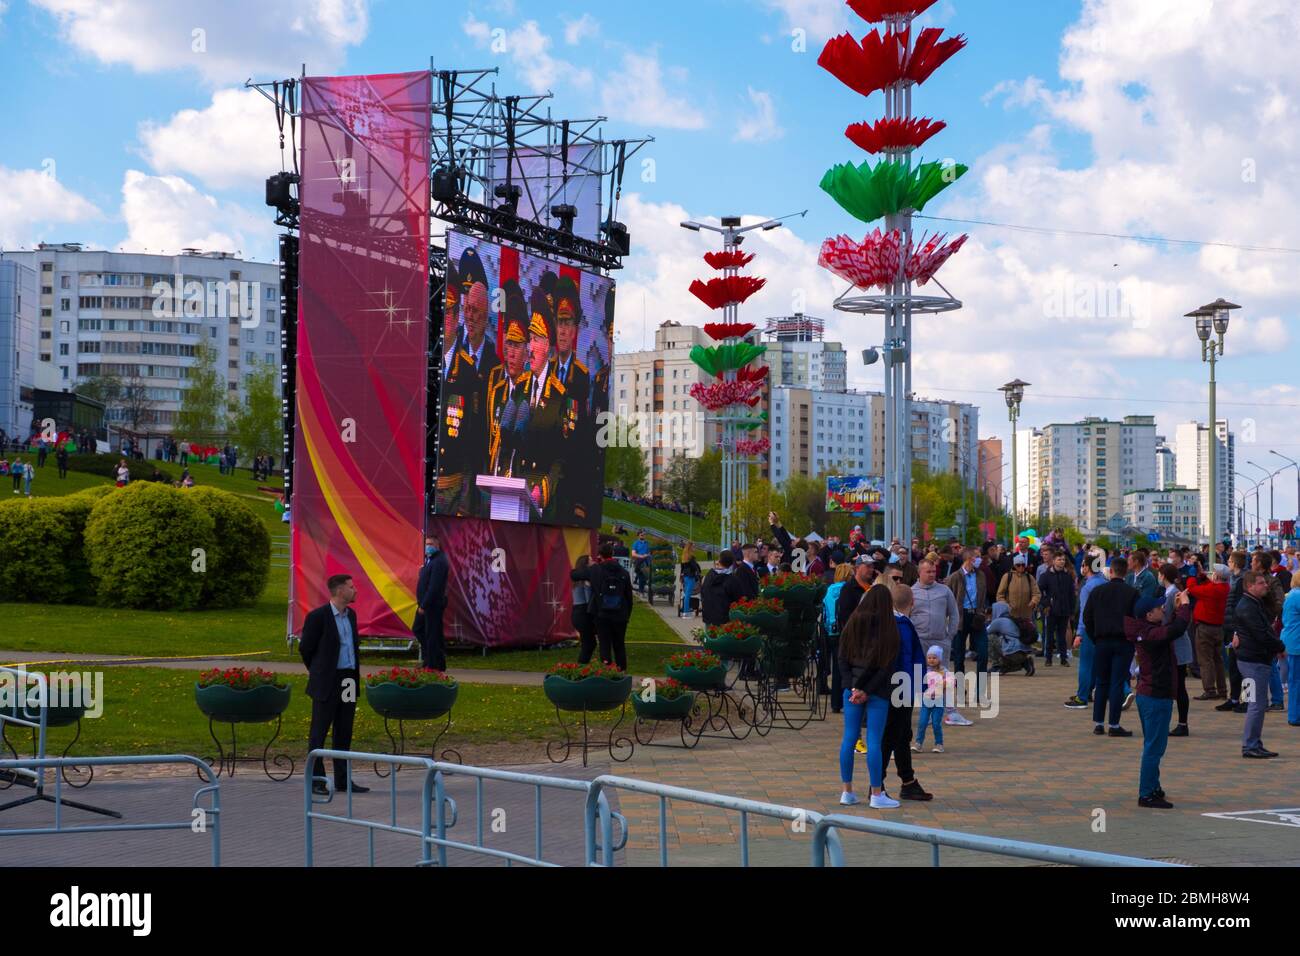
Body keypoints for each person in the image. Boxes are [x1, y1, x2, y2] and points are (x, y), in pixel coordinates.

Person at [300, 574, 369, 795]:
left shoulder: (351, 616)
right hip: (327, 680)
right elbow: (306, 649)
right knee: (319, 730)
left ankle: (343, 779)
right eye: (351, 587)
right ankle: (317, 780)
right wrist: (319, 671)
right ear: (340, 591)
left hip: (348, 679)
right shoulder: (318, 617)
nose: (355, 590)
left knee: (344, 728)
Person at [837, 585, 901, 809]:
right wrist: (866, 689)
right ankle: (876, 793)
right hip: (877, 691)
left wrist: (851, 687)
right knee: (874, 740)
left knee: (849, 739)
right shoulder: (889, 629)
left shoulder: (853, 623)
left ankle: (847, 791)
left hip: (851, 690)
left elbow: (842, 658)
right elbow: (885, 668)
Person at [1126, 589, 1190, 808]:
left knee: (1153, 745)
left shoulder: (1148, 630)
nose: (1161, 608)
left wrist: (1176, 606)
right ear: (1147, 614)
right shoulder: (1151, 636)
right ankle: (1146, 793)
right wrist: (1184, 607)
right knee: (1154, 748)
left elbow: (1169, 628)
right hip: (1155, 696)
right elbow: (1176, 630)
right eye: (1157, 607)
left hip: (1150, 695)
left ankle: (1153, 786)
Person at [1231, 570, 1286, 758]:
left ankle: (1254, 742)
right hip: (1252, 661)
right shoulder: (1248, 606)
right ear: (1250, 586)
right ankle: (1250, 745)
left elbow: (1265, 628)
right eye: (1261, 583)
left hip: (1250, 659)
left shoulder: (1253, 604)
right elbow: (1261, 633)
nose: (1266, 586)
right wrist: (1279, 646)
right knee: (1256, 704)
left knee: (1254, 703)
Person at [1084, 557, 1139, 737]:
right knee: (1117, 682)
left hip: (1101, 641)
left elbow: (1087, 617)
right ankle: (1114, 724)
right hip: (1123, 642)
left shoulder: (1098, 591)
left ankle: (1098, 723)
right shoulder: (1132, 593)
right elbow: (1137, 618)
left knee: (1102, 682)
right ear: (1126, 572)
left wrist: (1095, 637)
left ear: (1111, 571)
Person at [943, 547, 988, 723]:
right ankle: (961, 690)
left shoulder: (981, 575)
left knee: (983, 653)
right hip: (960, 619)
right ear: (968, 559)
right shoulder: (955, 577)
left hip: (976, 617)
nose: (979, 560)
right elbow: (947, 596)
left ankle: (980, 692)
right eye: (976, 557)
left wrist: (983, 611)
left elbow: (985, 595)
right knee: (959, 656)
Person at [1066, 551, 1106, 708]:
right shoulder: (1105, 582)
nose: (1081, 567)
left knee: (1085, 664)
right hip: (1104, 629)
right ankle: (1089, 691)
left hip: (1090, 629)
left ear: (1088, 567)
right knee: (1098, 664)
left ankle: (1081, 697)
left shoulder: (1087, 587)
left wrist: (1079, 634)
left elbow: (1084, 613)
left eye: (1083, 565)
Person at [1158, 563, 1192, 738]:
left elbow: (1170, 619)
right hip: (1176, 644)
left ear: (1163, 575)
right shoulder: (1170, 592)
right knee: (1177, 685)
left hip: (1176, 645)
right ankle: (1180, 722)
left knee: (1178, 685)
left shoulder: (1172, 594)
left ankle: (1182, 723)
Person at [1186, 564, 1230, 700]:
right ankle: (1222, 689)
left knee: (1205, 660)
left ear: (1216, 576)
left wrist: (1192, 577)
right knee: (1218, 660)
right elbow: (1209, 586)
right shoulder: (1224, 588)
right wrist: (1204, 578)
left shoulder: (1212, 589)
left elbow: (1193, 589)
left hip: (1205, 628)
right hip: (1218, 627)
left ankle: (1209, 689)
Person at [587, 542, 633, 670]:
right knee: (619, 644)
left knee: (604, 644)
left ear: (600, 555)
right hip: (620, 614)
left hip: (602, 614)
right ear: (613, 553)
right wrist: (627, 614)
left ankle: (607, 671)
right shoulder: (624, 572)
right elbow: (629, 596)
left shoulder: (596, 570)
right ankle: (622, 670)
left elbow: (590, 587)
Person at [911, 558, 958, 681]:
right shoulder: (911, 592)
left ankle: (942, 700)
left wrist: (949, 636)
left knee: (941, 678)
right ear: (919, 572)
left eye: (933, 571)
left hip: (940, 642)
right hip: (919, 642)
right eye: (928, 572)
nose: (932, 574)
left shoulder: (945, 590)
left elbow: (954, 613)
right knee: (920, 676)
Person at [414, 531, 450, 671]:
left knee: (432, 634)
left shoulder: (439, 561)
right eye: (426, 544)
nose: (427, 547)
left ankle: (434, 664)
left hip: (431, 605)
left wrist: (424, 604)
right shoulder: (431, 560)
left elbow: (434, 586)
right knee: (420, 630)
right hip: (426, 604)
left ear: (437, 545)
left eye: (430, 544)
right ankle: (432, 660)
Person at [1040, 553, 1076, 666]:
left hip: (1064, 609)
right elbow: (1039, 590)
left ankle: (1063, 658)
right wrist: (1046, 603)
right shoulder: (1046, 575)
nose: (1062, 561)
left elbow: (1071, 594)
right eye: (1059, 559)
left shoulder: (1067, 576)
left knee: (1062, 635)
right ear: (1054, 561)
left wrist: (1071, 610)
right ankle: (1048, 658)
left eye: (1063, 560)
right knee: (1050, 635)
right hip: (1051, 609)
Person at [913, 645, 948, 752]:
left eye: (934, 657)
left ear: (940, 659)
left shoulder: (944, 671)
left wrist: (946, 683)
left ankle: (939, 744)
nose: (931, 660)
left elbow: (951, 682)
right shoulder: (925, 670)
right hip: (926, 701)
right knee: (922, 722)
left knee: (936, 723)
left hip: (938, 702)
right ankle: (918, 743)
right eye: (929, 657)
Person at [989, 601, 1035, 675]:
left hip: (1013, 652)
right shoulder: (1012, 619)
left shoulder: (998, 621)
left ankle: (997, 665)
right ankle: (1026, 664)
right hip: (1023, 650)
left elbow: (986, 632)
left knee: (989, 638)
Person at [570, 554, 597, 664]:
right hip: (583, 613)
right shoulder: (586, 581)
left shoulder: (577, 581)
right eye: (591, 560)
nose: (593, 561)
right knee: (589, 644)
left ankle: (583, 666)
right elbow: (588, 600)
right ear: (586, 564)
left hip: (577, 612)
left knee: (589, 643)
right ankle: (581, 667)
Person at [1283, 571, 1300, 727]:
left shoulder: (1291, 595)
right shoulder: (1298, 596)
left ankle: (1295, 714)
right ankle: (1295, 715)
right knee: (1296, 680)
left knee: (1294, 680)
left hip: (1291, 640)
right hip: (1297, 642)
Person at [679, 542, 701, 619]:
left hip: (685, 577)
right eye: (694, 546)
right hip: (691, 577)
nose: (695, 548)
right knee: (688, 594)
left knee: (686, 594)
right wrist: (698, 573)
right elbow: (695, 567)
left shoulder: (684, 557)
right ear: (690, 548)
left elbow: (682, 568)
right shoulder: (691, 557)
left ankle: (686, 610)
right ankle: (686, 612)